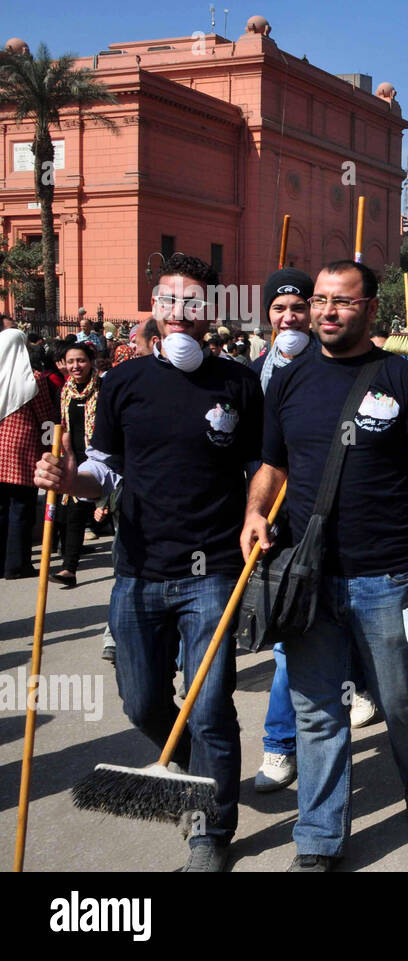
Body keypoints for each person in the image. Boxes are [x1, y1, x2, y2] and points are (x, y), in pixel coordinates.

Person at [35, 253, 262, 871]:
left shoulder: (240, 382)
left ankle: (210, 831)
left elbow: (260, 467)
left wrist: (256, 513)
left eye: (194, 302)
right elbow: (104, 469)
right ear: (154, 309)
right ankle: (205, 776)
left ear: (209, 311)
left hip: (213, 569)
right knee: (142, 704)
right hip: (136, 569)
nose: (181, 313)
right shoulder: (123, 383)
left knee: (211, 705)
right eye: (170, 301)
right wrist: (69, 478)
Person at [242, 260, 408, 870]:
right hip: (307, 578)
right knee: (316, 710)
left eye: (341, 301)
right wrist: (256, 511)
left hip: (389, 577)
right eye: (319, 300)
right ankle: (318, 837)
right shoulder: (286, 380)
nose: (326, 312)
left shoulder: (404, 380)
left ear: (370, 308)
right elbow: (273, 464)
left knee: (405, 699)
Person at [247, 268, 316, 793]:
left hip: (327, 518)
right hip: (273, 522)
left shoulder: (332, 367)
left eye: (297, 307)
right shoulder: (250, 376)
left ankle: (353, 683)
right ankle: (280, 745)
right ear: (267, 316)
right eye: (279, 309)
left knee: (329, 628)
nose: (289, 317)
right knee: (285, 637)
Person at [0, 328, 57, 580]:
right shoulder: (33, 378)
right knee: (21, 507)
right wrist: (51, 447)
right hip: (22, 449)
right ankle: (17, 564)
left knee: (1, 508)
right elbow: (45, 416)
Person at [50, 341, 100, 588]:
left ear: (90, 361)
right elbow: (61, 424)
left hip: (101, 458)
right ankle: (69, 569)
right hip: (74, 458)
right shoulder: (66, 391)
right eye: (70, 362)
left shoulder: (104, 387)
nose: (75, 366)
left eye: (80, 360)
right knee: (74, 512)